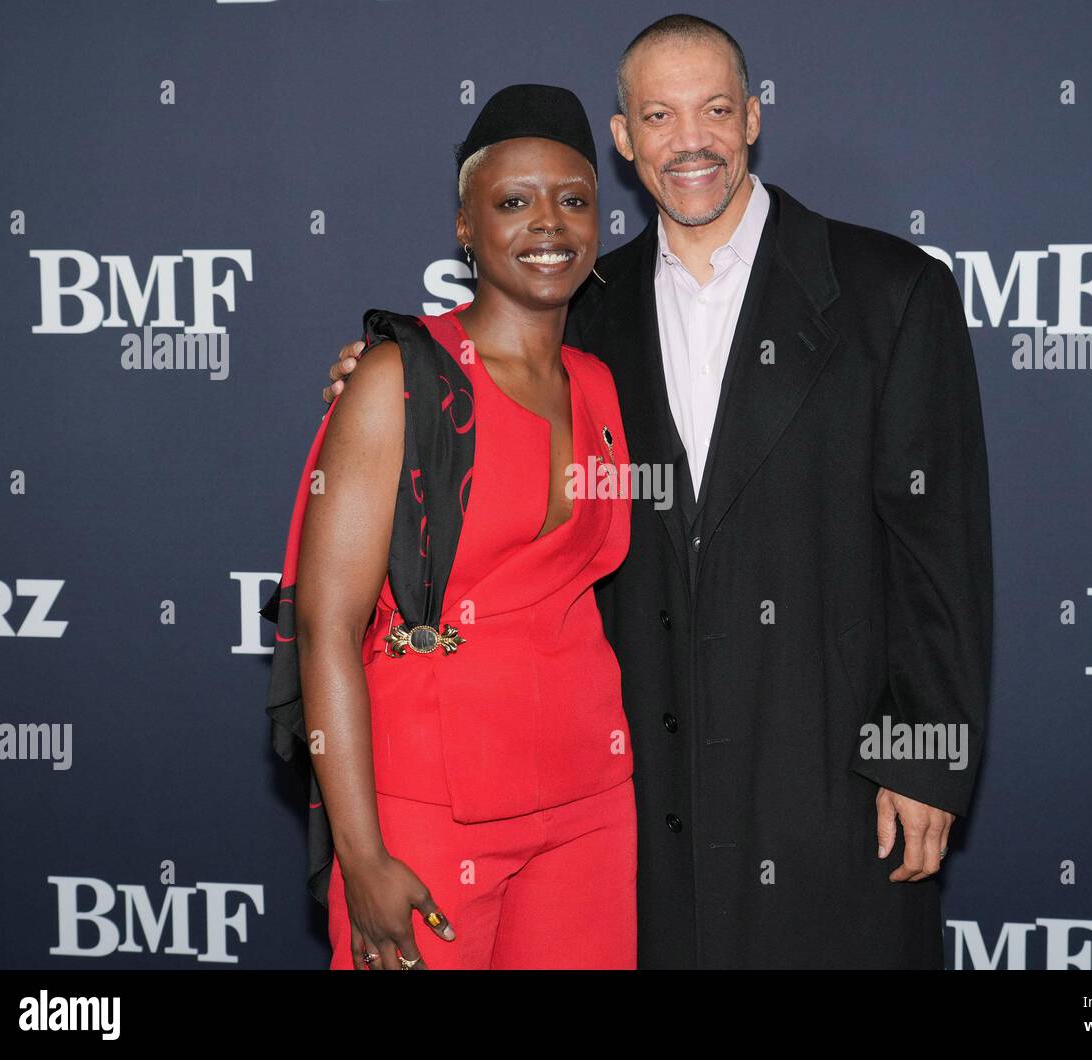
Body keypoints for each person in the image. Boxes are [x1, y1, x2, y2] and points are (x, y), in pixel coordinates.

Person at [323, 16, 993, 969]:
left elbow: (940, 549)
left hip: (827, 779)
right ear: (626, 139)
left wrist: (923, 758)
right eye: (660, 115)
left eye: (716, 109)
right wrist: (382, 374)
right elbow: (464, 384)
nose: (692, 140)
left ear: (753, 119)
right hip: (642, 800)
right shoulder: (583, 310)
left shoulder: (891, 291)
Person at [270, 83, 636, 970]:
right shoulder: (400, 378)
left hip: (591, 806)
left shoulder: (600, 381)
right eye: (513, 202)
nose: (547, 223)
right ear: (465, 227)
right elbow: (326, 627)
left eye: (574, 200)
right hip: (427, 813)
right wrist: (362, 857)